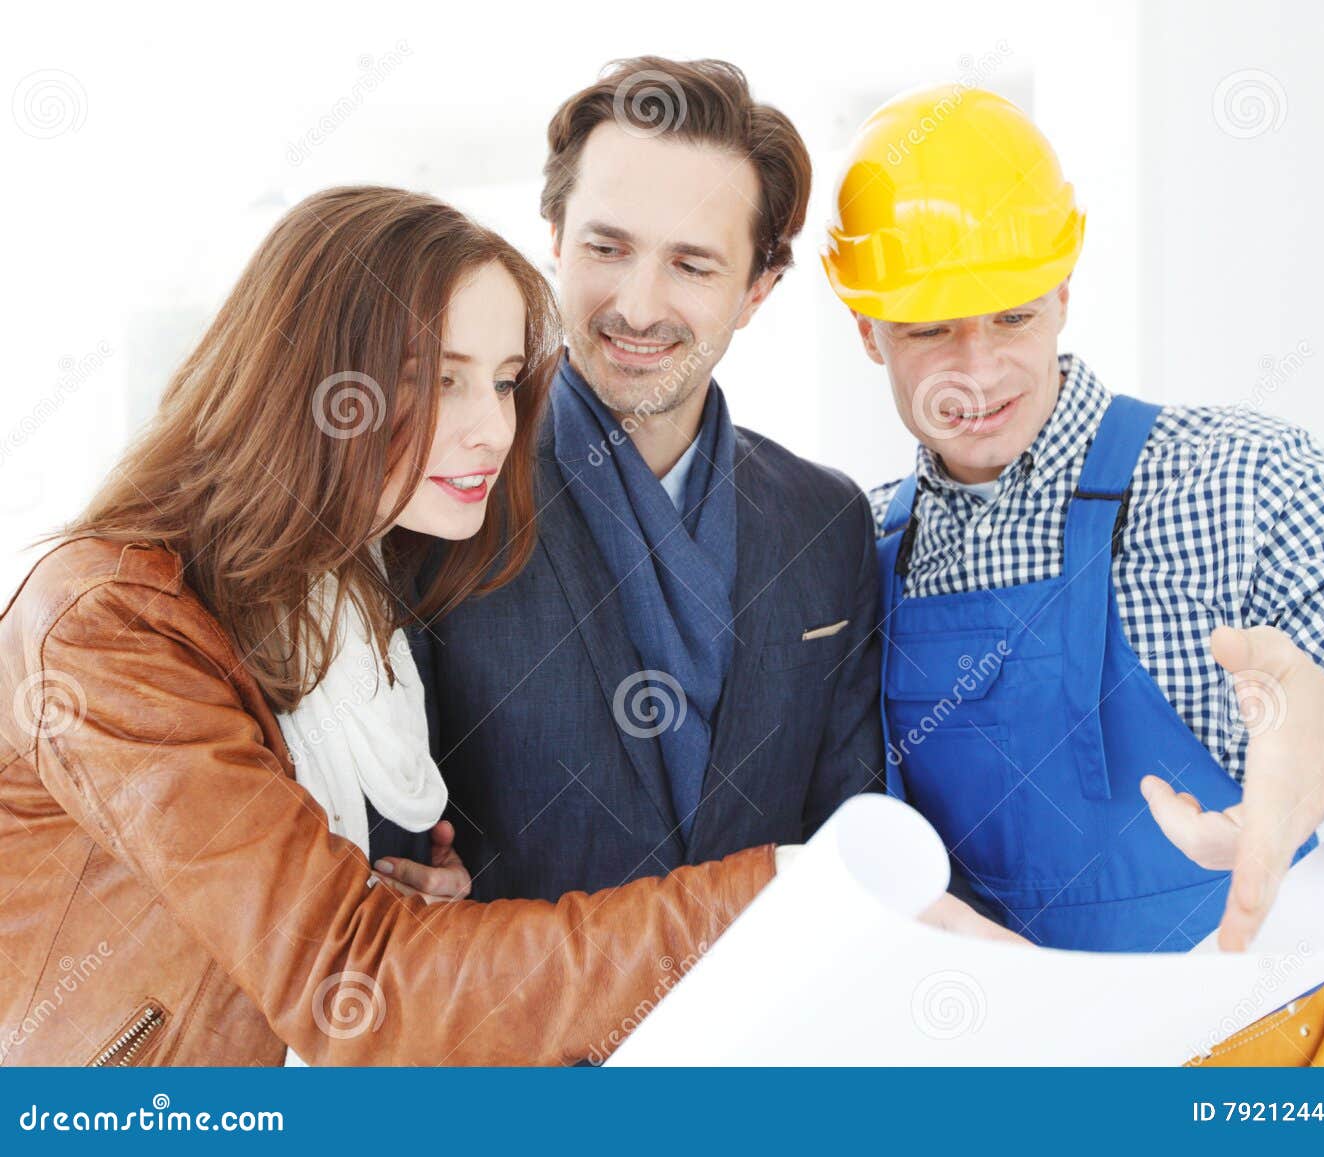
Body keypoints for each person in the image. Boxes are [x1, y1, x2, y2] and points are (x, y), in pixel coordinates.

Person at [0, 184, 996, 1069]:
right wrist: (770, 893)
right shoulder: (108, 628)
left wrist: (430, 904)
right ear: (309, 382)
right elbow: (355, 977)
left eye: (506, 379)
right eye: (439, 376)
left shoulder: (358, 602)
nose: (490, 426)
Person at [821, 86, 1324, 1060]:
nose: (980, 368)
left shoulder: (1231, 482)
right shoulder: (860, 556)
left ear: (1064, 295)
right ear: (867, 330)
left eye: (1010, 314)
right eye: (928, 329)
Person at [411, 60, 993, 937]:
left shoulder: (823, 522)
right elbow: (390, 854)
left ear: (758, 289)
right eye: (607, 248)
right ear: (555, 241)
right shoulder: (444, 494)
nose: (637, 307)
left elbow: (848, 838)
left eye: (691, 264)